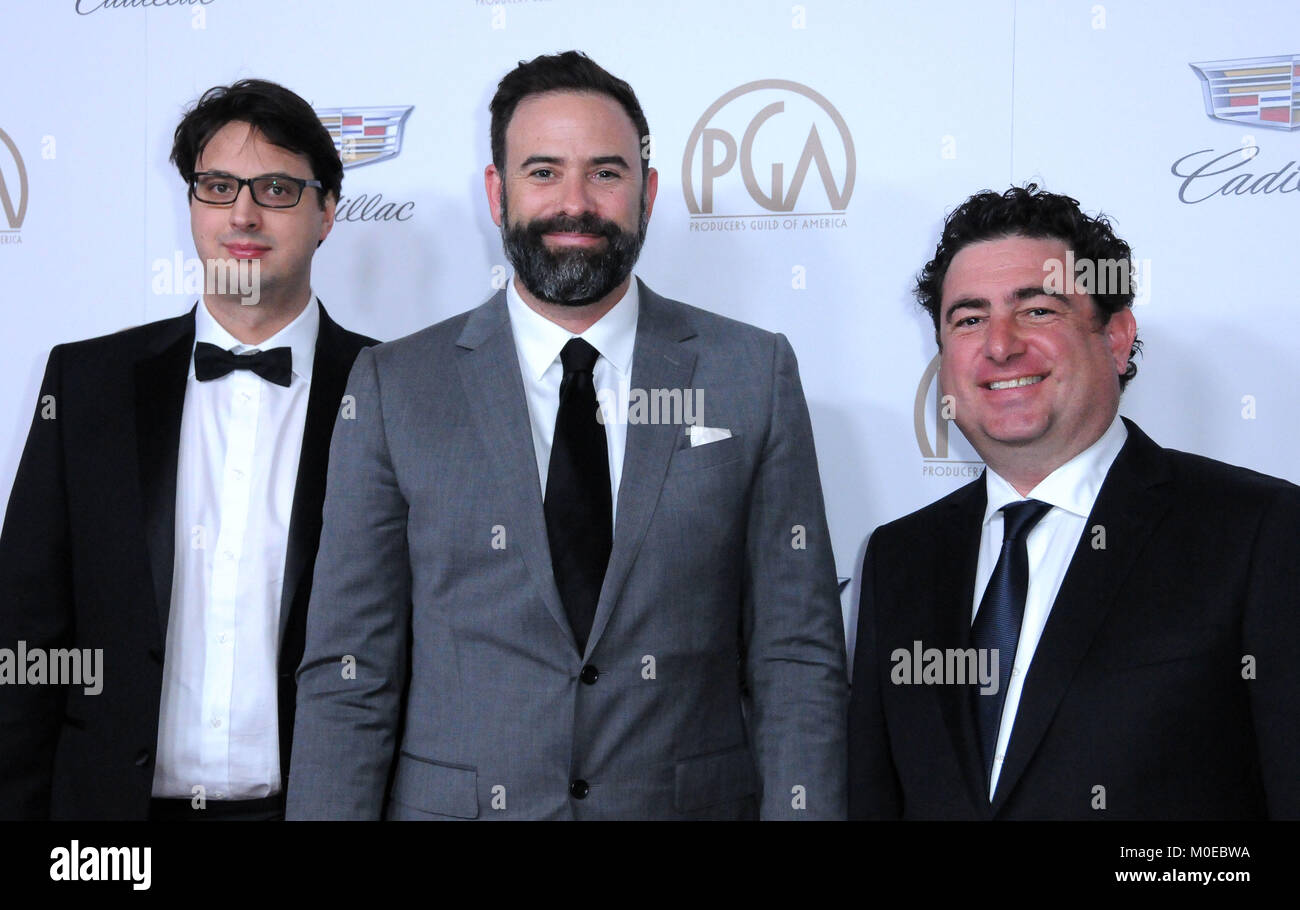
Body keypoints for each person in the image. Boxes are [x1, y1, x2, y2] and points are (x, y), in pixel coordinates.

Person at [286, 51, 846, 820]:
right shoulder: (395, 388)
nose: (574, 203)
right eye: (543, 172)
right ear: (497, 192)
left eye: (606, 173)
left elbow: (796, 658)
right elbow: (351, 676)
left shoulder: (754, 374)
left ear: (647, 193)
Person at [848, 184, 1300, 819]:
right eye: (969, 319)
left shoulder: (1258, 532)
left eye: (1036, 310)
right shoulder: (900, 558)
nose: (1000, 345)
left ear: (1116, 338)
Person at [0, 79, 377, 820]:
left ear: (327, 211)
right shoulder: (85, 384)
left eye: (275, 187)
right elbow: (24, 632)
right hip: (111, 823)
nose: (242, 213)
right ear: (191, 204)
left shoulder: (395, 391)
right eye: (216, 186)